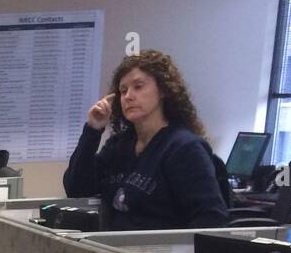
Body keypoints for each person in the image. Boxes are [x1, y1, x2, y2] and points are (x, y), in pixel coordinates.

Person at [63, 50, 228, 230]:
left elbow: (211, 217)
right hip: (115, 249)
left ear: (163, 90)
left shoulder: (184, 148)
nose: (128, 96)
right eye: (123, 90)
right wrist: (93, 130)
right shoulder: (119, 145)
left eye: (138, 86)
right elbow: (76, 189)